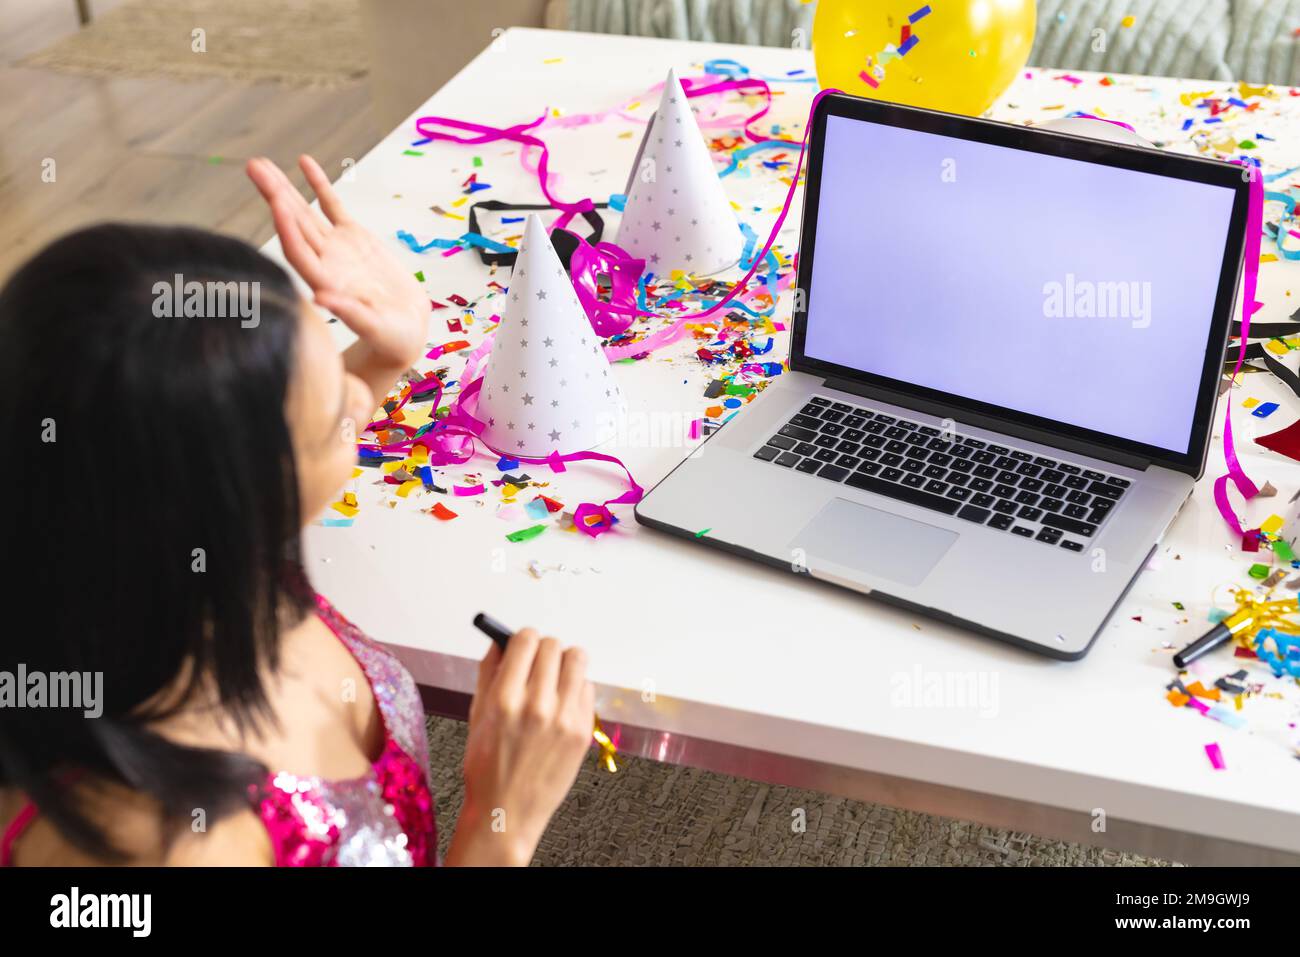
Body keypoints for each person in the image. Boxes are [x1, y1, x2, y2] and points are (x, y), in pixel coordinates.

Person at [0, 156, 594, 866]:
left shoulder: (173, 561)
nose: (358, 398)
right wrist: (501, 825)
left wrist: (391, 348)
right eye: (333, 414)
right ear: (235, 496)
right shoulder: (165, 844)